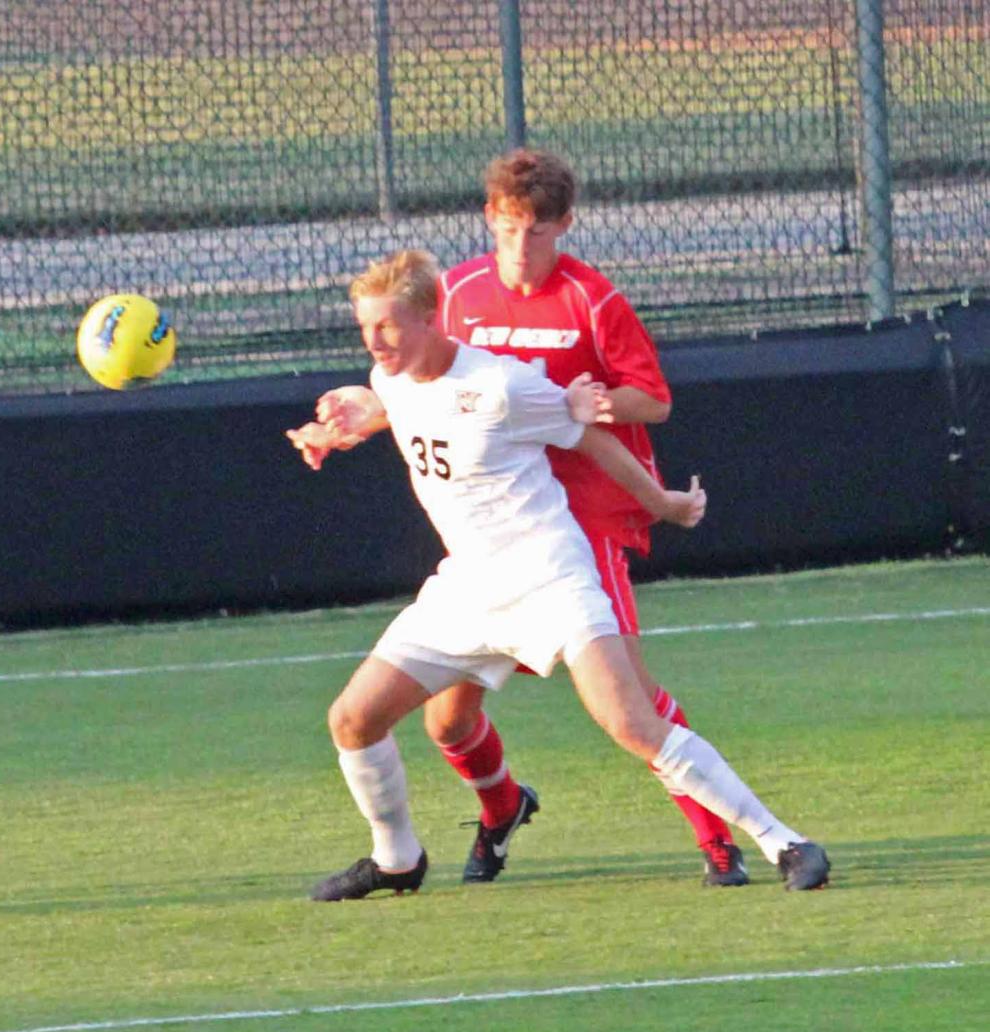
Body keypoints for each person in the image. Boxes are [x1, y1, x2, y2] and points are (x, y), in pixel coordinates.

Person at [289, 249, 830, 901]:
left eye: (389, 325)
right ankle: (397, 859)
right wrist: (339, 426)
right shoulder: (392, 376)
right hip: (467, 589)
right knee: (352, 719)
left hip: (550, 577)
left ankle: (784, 841)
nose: (375, 341)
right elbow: (395, 402)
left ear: (434, 318)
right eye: (366, 327)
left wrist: (664, 504)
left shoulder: (502, 384)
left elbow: (592, 437)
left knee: (631, 723)